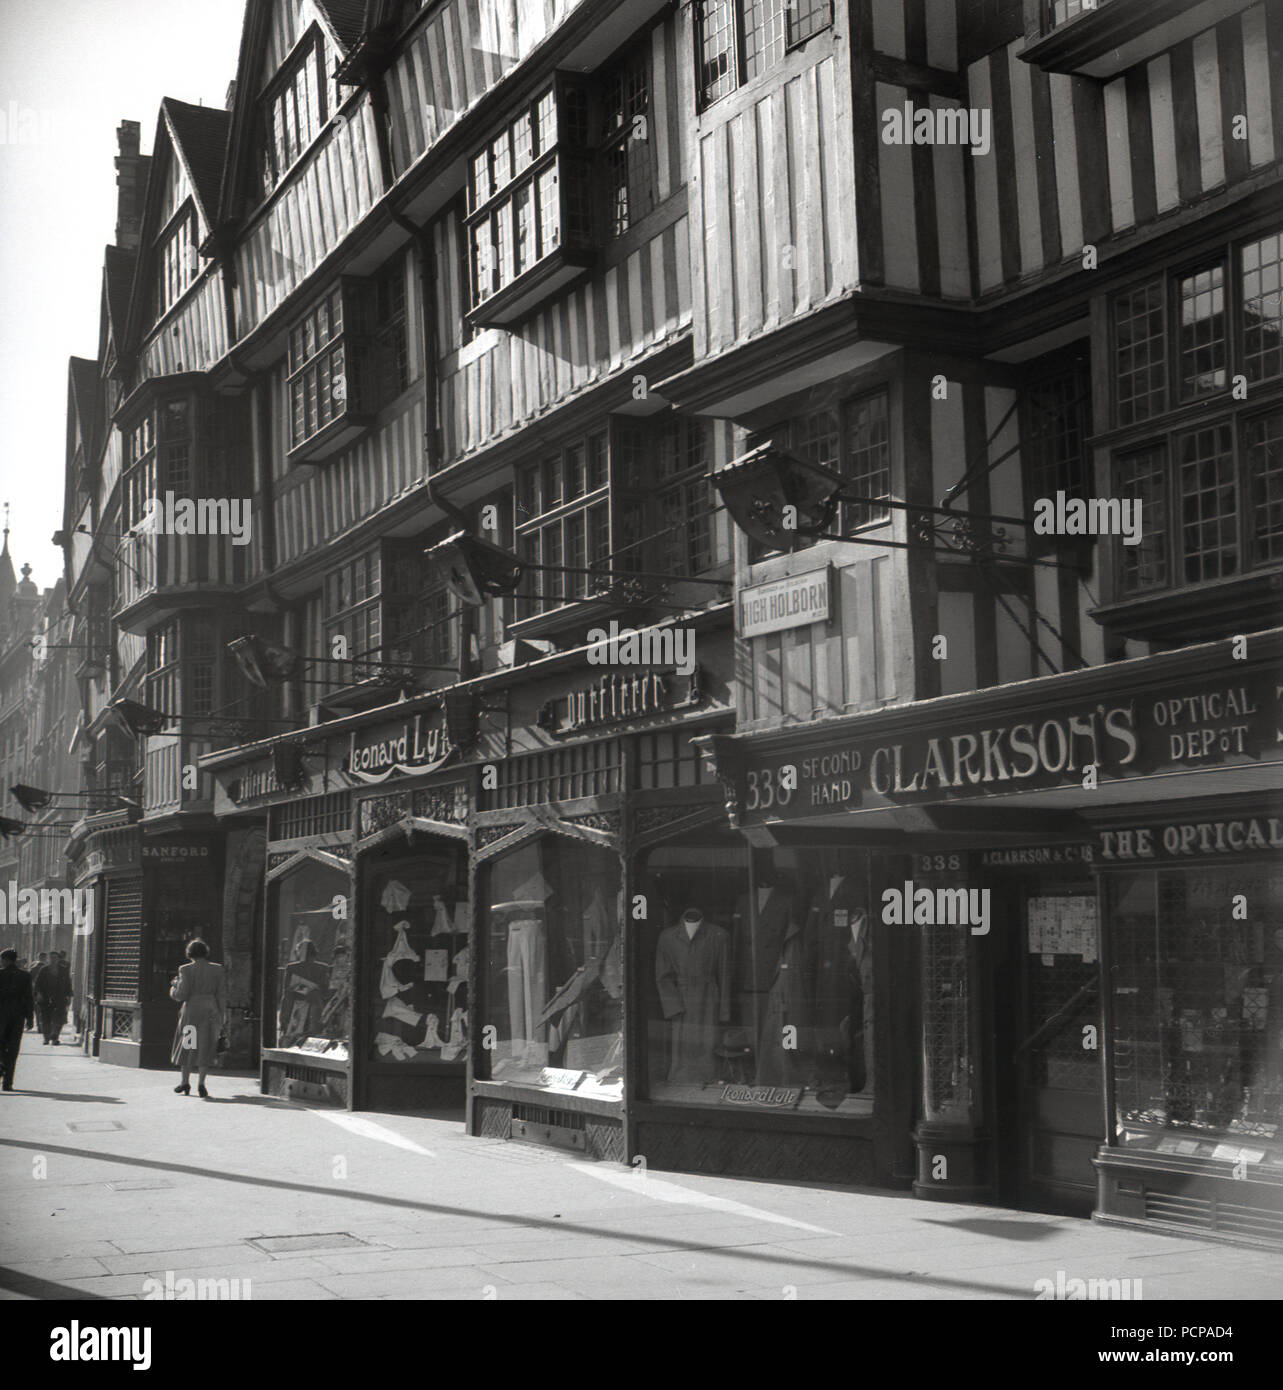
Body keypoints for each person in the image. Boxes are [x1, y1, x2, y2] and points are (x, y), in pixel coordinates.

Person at [170, 938, 227, 1098]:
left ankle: (185, 1082)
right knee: (205, 1046)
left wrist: (174, 987)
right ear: (206, 952)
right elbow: (221, 995)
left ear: (190, 953)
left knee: (188, 1046)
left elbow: (182, 994)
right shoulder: (217, 970)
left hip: (191, 1013)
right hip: (210, 1011)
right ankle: (201, 1083)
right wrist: (222, 1016)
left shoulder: (185, 969)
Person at [0, 949, 35, 1091]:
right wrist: (30, 1017)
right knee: (14, 1049)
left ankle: (1, 1063)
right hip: (18, 1016)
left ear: (6, 960)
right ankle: (8, 1082)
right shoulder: (25, 976)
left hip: (1, 1015)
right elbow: (28, 998)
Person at [37, 953, 73, 1045]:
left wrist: (69, 996)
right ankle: (46, 1037)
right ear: (48, 959)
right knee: (46, 1018)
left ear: (58, 959)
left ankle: (55, 1037)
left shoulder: (63, 970)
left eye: (55, 958)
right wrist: (39, 994)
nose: (53, 959)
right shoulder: (43, 970)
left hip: (60, 998)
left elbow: (68, 984)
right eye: (51, 958)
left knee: (59, 1018)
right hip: (46, 998)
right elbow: (38, 984)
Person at [28, 952, 49, 1034]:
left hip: (35, 992)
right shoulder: (48, 968)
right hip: (44, 992)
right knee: (43, 1009)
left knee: (37, 1010)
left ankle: (39, 1026)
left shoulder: (33, 968)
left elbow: (29, 981)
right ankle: (42, 1025)